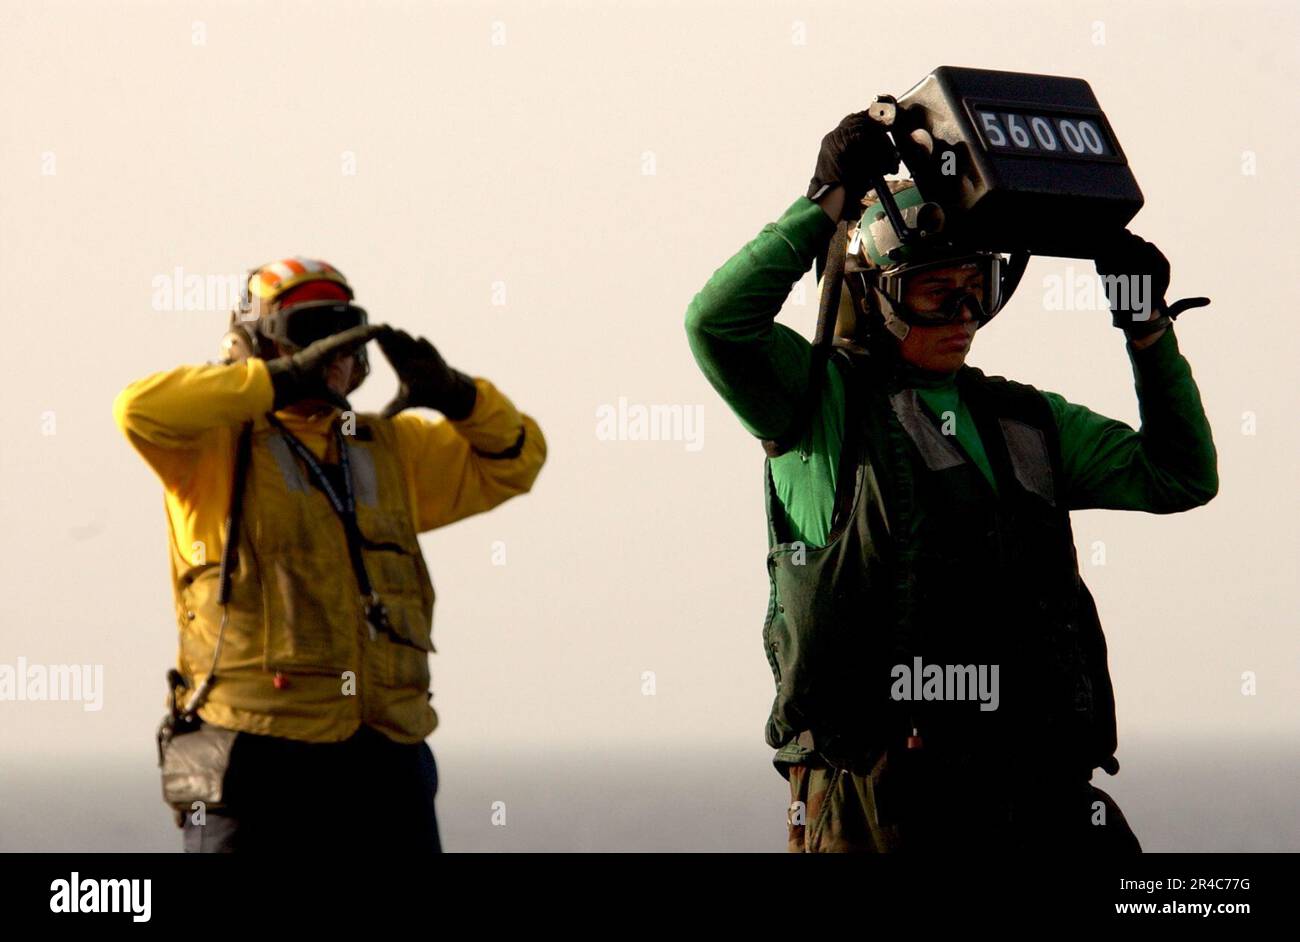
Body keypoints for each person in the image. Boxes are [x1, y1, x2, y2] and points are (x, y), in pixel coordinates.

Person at [684, 114, 1218, 853]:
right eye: (936, 292)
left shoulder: (1025, 421)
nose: (965, 314)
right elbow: (716, 325)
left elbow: (1180, 475)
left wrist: (1148, 330)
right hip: (882, 800)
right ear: (873, 293)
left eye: (980, 288)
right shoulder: (818, 408)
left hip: (1035, 794)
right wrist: (824, 203)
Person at [114, 257, 546, 853]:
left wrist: (460, 396)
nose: (334, 353)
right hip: (256, 756)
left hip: (384, 757)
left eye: (347, 333)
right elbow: (138, 410)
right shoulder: (210, 446)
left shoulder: (387, 449)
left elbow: (515, 460)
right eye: (312, 334)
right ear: (253, 344)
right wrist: (278, 381)